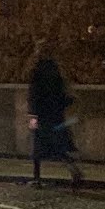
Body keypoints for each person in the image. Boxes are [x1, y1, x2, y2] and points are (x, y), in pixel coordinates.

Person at [27, 56, 83, 189]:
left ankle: (37, 178)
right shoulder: (57, 81)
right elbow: (64, 99)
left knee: (38, 151)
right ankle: (72, 168)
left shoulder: (37, 81)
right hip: (57, 120)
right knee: (59, 149)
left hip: (42, 120)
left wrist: (33, 117)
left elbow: (34, 100)